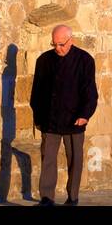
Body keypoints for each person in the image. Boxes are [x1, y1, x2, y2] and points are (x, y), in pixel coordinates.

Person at [29, 25, 98, 206]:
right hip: (50, 120)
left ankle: (72, 197)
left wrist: (85, 114)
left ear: (71, 40)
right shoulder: (43, 60)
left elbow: (90, 92)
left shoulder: (85, 60)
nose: (58, 48)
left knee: (75, 160)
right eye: (54, 44)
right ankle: (46, 198)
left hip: (75, 120)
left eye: (61, 44)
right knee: (48, 159)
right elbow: (36, 91)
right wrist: (38, 115)